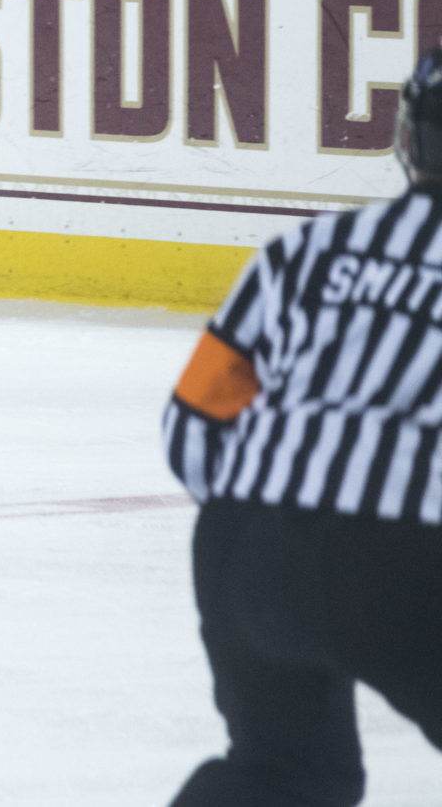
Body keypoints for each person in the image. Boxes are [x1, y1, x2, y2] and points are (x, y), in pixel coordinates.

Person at [161, 45, 442, 806]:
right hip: (407, 549)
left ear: (410, 137)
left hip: (244, 542)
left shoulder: (308, 250)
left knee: (283, 777)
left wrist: (292, 522)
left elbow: (190, 428)